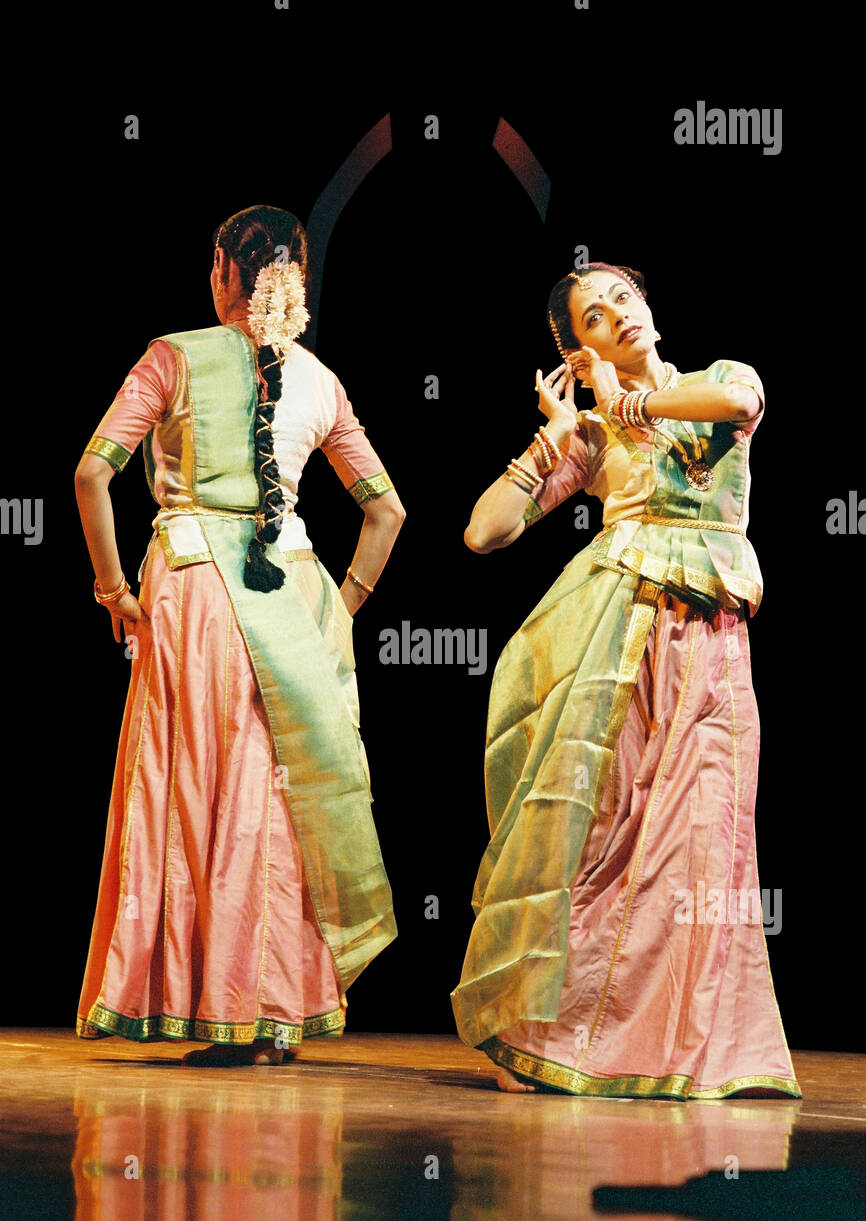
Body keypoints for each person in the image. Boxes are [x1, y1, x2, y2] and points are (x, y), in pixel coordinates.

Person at [451, 262, 800, 1099]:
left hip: (709, 648)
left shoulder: (716, 380)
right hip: (614, 646)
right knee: (604, 836)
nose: (620, 315)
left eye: (624, 299)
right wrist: (558, 438)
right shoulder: (595, 438)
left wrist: (624, 401)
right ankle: (552, 1032)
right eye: (597, 318)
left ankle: (677, 1045)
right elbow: (484, 531)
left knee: (700, 842)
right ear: (581, 352)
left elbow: (740, 405)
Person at [75, 205, 405, 1065]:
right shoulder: (321, 380)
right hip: (289, 586)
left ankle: (202, 1003)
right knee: (277, 793)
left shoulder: (172, 355)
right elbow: (386, 509)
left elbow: (90, 473)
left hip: (191, 585)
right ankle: (274, 1013)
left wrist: (112, 587)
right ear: (294, 277)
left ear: (223, 267)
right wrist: (346, 601)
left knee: (194, 781)